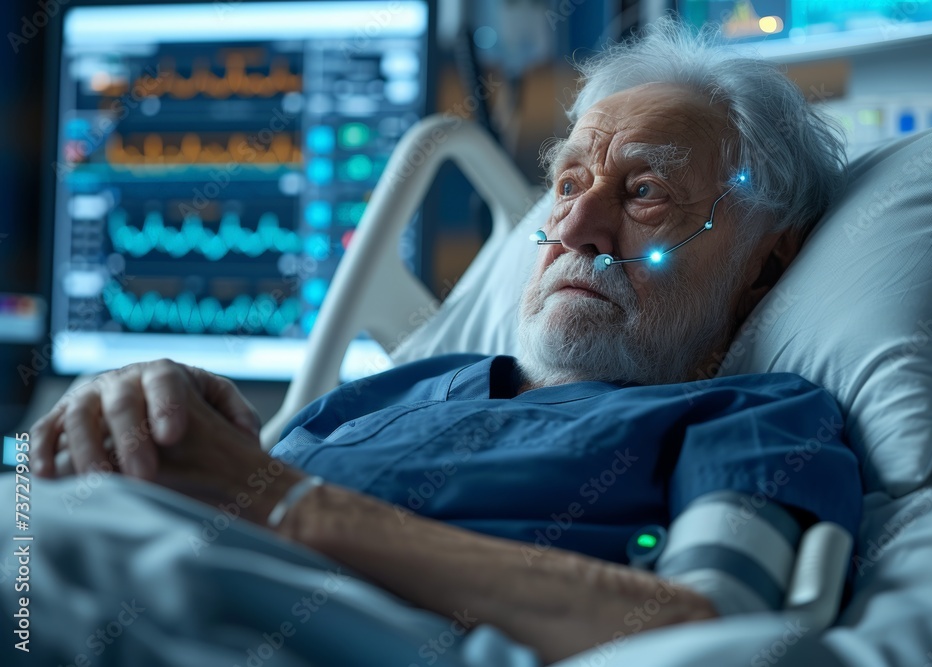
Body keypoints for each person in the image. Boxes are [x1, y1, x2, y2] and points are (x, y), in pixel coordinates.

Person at [28, 18, 859, 665]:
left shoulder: (752, 420)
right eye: (568, 183)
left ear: (763, 261)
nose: (571, 223)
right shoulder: (389, 390)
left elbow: (705, 631)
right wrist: (134, 417)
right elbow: (225, 489)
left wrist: (286, 501)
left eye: (644, 192)